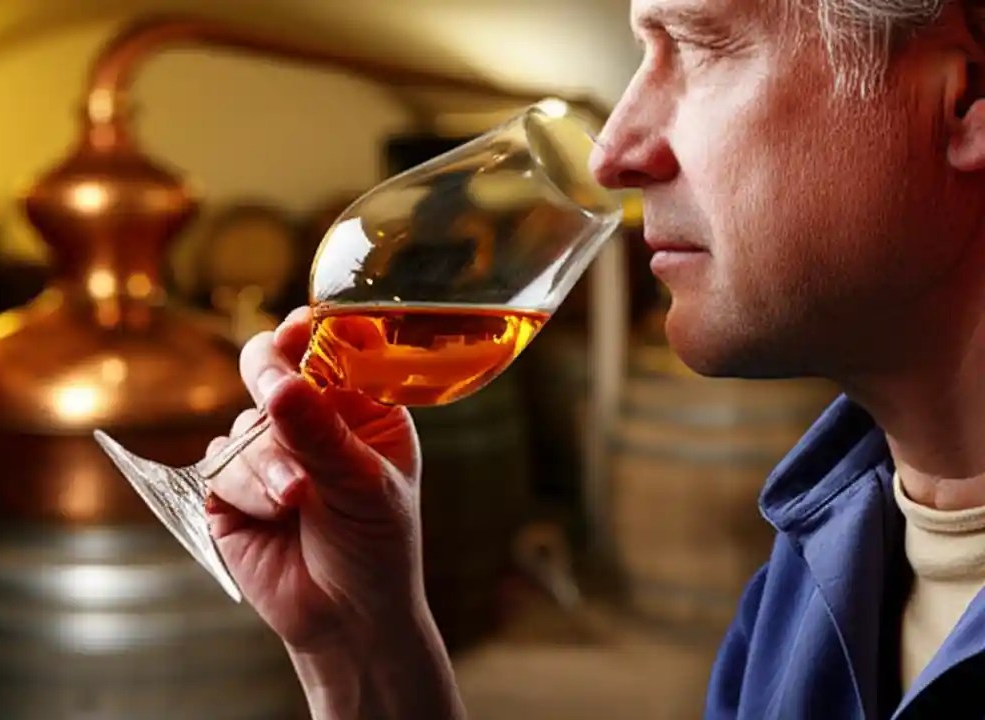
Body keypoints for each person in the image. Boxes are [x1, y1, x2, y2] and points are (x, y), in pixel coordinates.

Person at [204, 0, 985, 716]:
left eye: (703, 48)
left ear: (966, 99)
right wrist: (363, 643)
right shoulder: (807, 582)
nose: (613, 153)